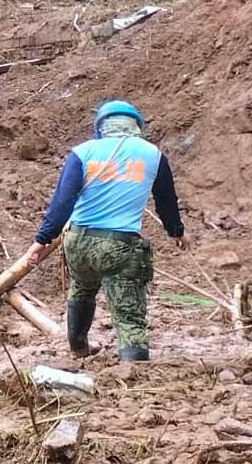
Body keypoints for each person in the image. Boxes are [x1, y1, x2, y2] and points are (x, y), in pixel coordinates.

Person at [18, 100, 186, 362]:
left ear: (101, 127)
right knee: (128, 309)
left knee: (82, 288)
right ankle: (134, 364)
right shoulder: (153, 155)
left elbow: (62, 203)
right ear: (136, 126)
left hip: (78, 244)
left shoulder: (82, 152)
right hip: (120, 246)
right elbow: (166, 201)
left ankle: (78, 348)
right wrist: (176, 232)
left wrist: (40, 241)